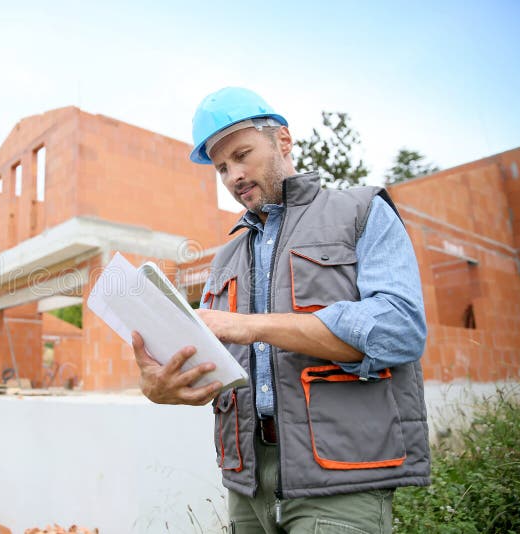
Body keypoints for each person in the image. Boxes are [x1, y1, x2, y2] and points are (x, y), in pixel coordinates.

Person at [131, 87, 430, 533]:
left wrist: (249, 326)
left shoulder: (361, 211)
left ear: (283, 141)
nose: (233, 176)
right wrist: (162, 383)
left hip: (338, 478)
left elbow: (399, 329)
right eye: (222, 168)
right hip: (247, 483)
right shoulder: (225, 259)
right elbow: (214, 359)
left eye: (242, 154)